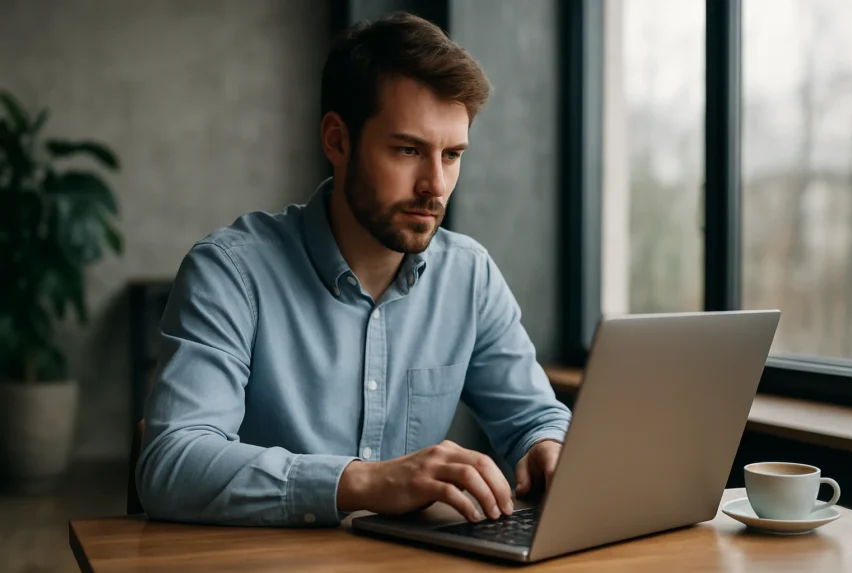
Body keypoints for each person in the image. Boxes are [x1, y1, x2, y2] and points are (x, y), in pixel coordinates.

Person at [136, 11, 571, 528]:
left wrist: (548, 447)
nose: (436, 184)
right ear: (337, 141)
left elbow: (535, 418)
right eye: (408, 150)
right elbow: (172, 465)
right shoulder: (230, 273)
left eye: (452, 154)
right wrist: (362, 482)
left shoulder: (469, 277)